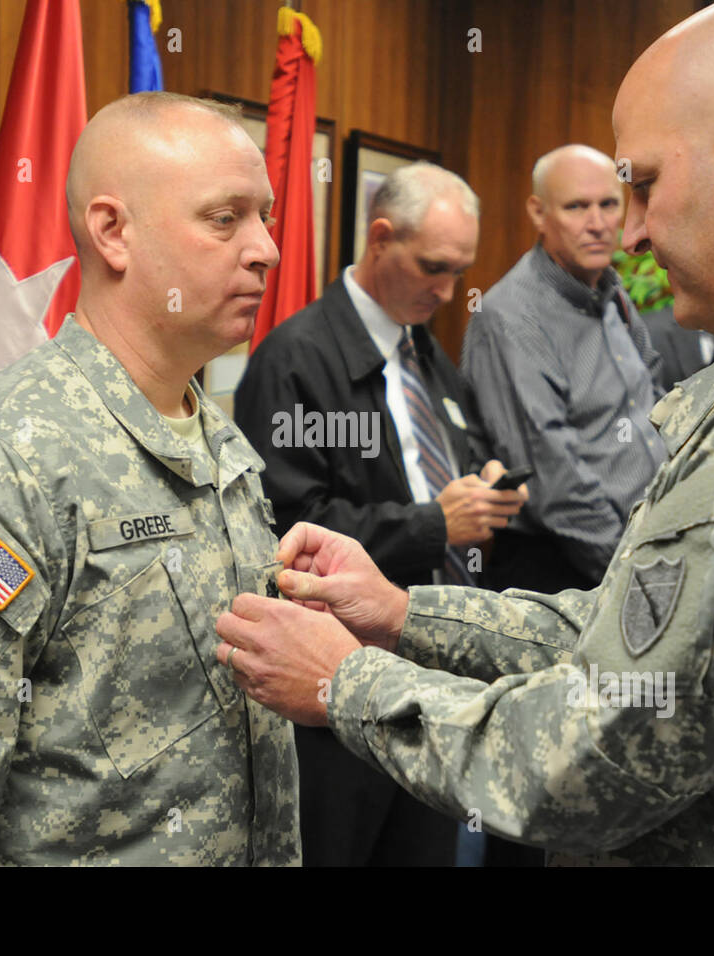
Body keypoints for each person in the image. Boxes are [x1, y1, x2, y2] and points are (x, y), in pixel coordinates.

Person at [213, 0, 714, 864]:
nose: (633, 232)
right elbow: (629, 637)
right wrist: (402, 613)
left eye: (643, 185)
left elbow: (581, 761)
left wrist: (342, 680)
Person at [0, 92, 301, 866]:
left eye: (266, 217)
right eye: (225, 219)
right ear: (113, 232)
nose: (265, 251)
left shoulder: (219, 443)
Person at [233, 161, 526, 866]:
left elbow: (450, 456)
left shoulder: (425, 351)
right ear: (380, 237)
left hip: (420, 680)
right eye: (433, 267)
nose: (448, 291)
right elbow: (286, 527)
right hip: (330, 695)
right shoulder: (297, 355)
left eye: (460, 272)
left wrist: (485, 486)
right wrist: (434, 524)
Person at [462, 145, 665, 595]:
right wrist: (634, 581)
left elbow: (659, 405)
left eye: (608, 204)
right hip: (567, 572)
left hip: (640, 550)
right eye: (577, 207)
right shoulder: (511, 316)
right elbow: (554, 479)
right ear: (539, 213)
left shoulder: (613, 293)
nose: (597, 223)